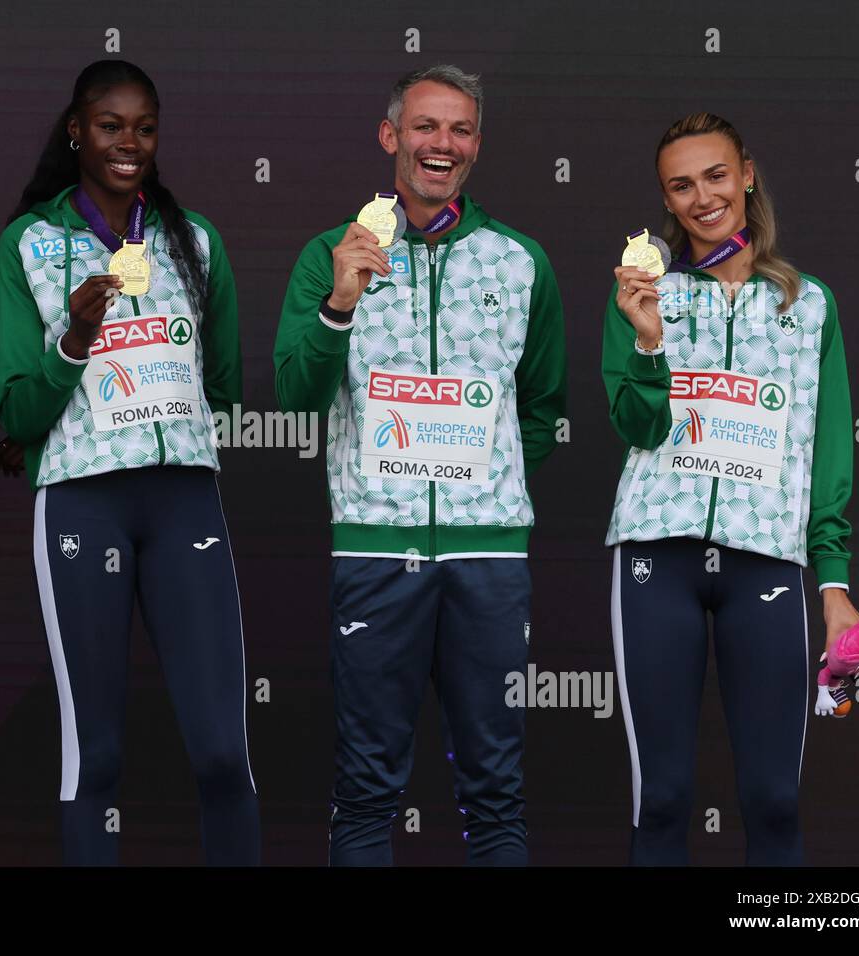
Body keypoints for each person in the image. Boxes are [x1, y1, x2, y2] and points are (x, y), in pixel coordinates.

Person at [274, 64, 567, 866]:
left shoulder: (520, 262)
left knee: (496, 793)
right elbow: (296, 396)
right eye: (427, 127)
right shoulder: (329, 254)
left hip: (488, 557)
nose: (444, 145)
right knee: (367, 792)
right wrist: (339, 302)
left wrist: (488, 487)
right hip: (375, 553)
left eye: (461, 129)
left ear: (477, 143)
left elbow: (540, 410)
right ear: (391, 136)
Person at [0, 59, 258, 866]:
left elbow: (223, 383)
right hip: (82, 502)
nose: (128, 143)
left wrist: (158, 414)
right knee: (95, 755)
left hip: (184, 505)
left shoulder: (195, 238)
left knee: (221, 752)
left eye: (144, 128)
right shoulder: (29, 245)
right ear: (76, 130)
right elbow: (17, 411)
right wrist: (76, 341)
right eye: (110, 126)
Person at [605, 111, 859, 866]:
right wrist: (647, 340)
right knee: (660, 799)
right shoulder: (645, 291)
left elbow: (826, 459)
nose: (703, 198)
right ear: (667, 199)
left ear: (748, 174)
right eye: (682, 185)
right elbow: (634, 423)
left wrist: (834, 583)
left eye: (717, 175)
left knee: (773, 799)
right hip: (655, 559)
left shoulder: (810, 304)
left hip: (767, 563)